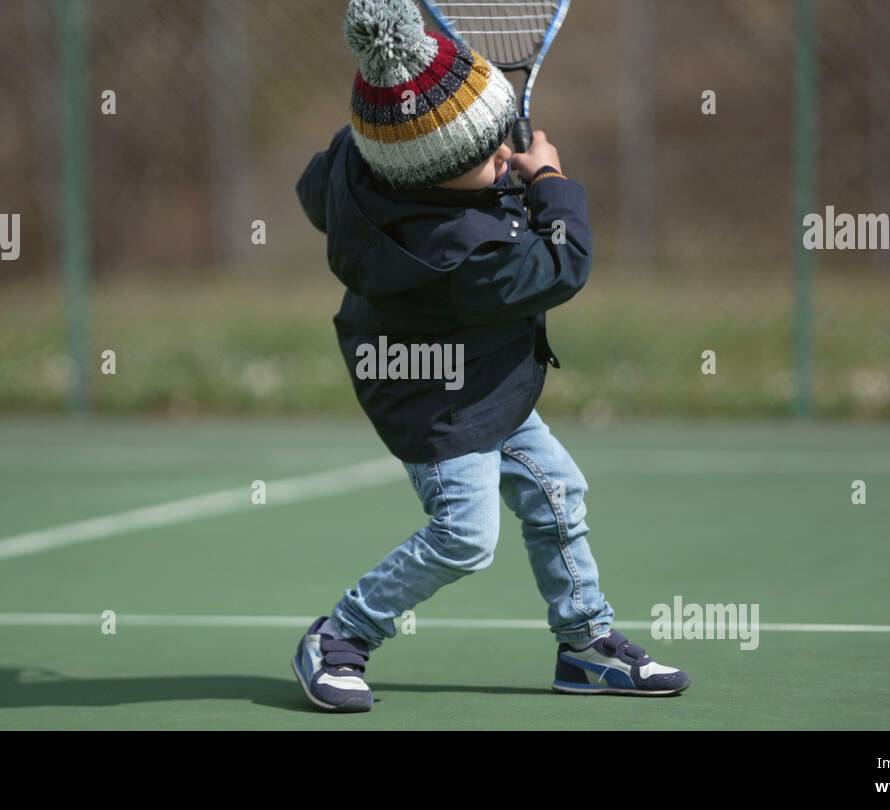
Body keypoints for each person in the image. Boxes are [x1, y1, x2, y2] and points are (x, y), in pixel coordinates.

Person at [291, 0, 691, 712]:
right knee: (465, 537)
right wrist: (548, 185)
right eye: (489, 153)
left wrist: (482, 171)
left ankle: (585, 643)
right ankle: (339, 634)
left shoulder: (369, 163)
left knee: (557, 492)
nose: (504, 153)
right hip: (439, 402)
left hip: (481, 377)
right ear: (434, 174)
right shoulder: (463, 252)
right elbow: (562, 265)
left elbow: (331, 173)